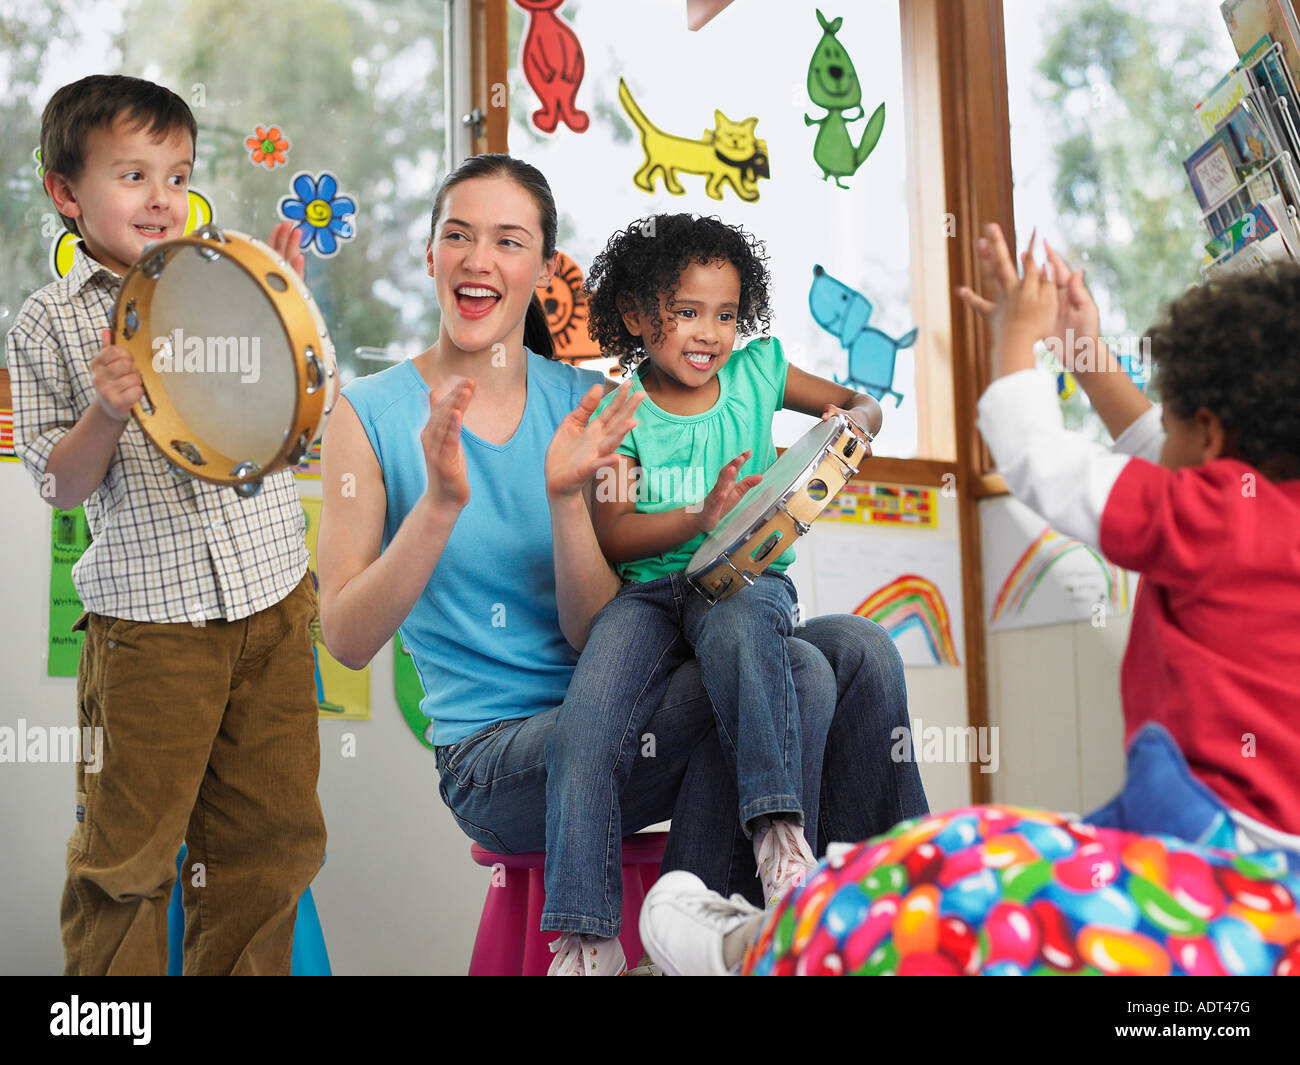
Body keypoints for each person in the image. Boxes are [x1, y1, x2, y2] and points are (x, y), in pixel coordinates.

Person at [316, 154, 927, 975]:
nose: (478, 258)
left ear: (539, 267)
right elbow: (346, 642)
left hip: (625, 702)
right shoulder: (368, 414)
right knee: (802, 673)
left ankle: (878, 914)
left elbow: (592, 625)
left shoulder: (597, 406)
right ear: (430, 254)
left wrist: (587, 505)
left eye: (508, 239)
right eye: (457, 236)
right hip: (498, 759)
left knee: (857, 648)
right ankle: (709, 927)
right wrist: (438, 507)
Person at [636, 223, 1300, 976]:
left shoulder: (1216, 516)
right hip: (1259, 879)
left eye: (1177, 417)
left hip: (1206, 860)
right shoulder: (1263, 513)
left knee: (956, 859)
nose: (1163, 448)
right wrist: (1084, 348)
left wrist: (1016, 339)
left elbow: (1036, 453)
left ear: (1212, 436)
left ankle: (753, 946)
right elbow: (1158, 449)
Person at [7, 74, 324, 975]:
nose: (161, 198)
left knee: (271, 845)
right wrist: (105, 410)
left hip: (271, 600)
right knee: (128, 860)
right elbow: (60, 487)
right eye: (132, 175)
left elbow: (279, 424)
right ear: (65, 192)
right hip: (151, 628)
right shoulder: (47, 322)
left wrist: (276, 305)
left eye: (177, 176)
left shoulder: (219, 279)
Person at [542, 214, 886, 964]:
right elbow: (615, 532)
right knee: (585, 725)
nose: (710, 332)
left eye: (726, 314)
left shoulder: (760, 372)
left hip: (742, 579)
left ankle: (779, 838)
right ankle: (584, 934)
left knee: (746, 638)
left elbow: (863, 405)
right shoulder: (618, 412)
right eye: (687, 311)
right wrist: (698, 514)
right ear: (636, 315)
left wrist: (851, 421)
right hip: (648, 593)